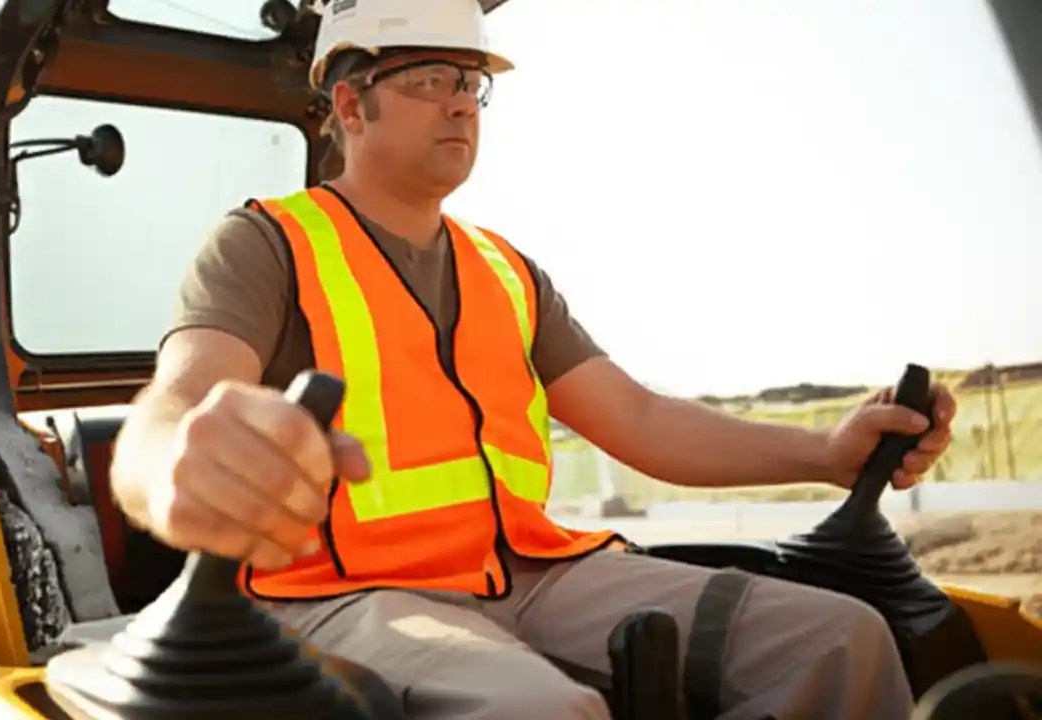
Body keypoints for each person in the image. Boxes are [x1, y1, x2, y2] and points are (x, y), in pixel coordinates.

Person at [109, 0, 958, 717]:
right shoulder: (264, 242)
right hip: (343, 594)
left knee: (839, 639)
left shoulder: (507, 271)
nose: (463, 107)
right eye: (431, 80)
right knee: (544, 712)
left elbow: (639, 419)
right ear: (352, 106)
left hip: (536, 573)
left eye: (470, 85)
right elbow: (175, 408)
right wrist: (177, 462)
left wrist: (825, 455)